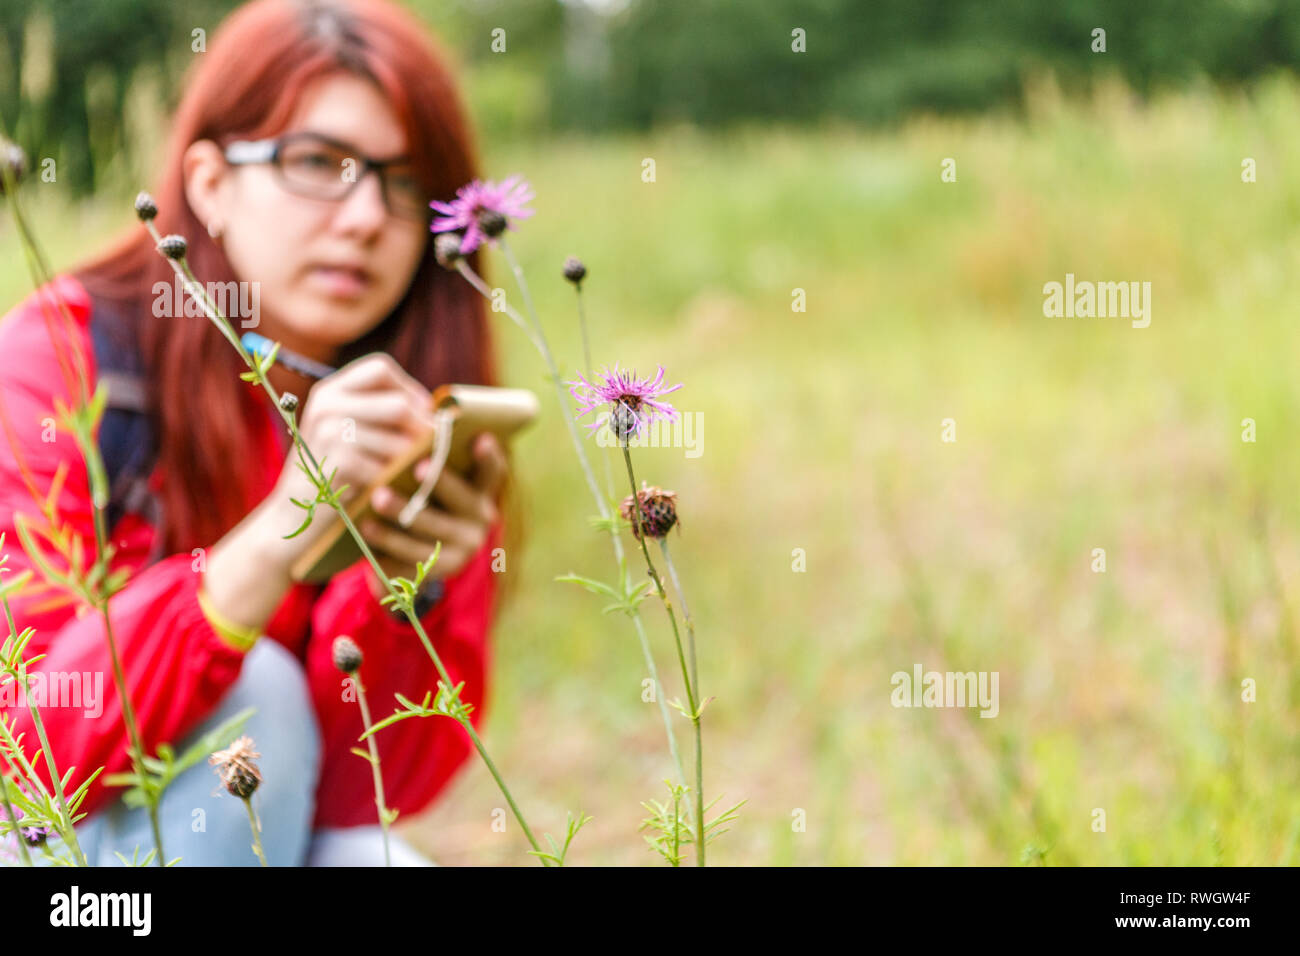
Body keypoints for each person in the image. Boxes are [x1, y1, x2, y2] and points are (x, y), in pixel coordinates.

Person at [0, 0, 519, 865]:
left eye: (403, 182)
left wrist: (402, 594)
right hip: (51, 845)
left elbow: (360, 799)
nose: (365, 218)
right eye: (318, 162)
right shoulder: (64, 358)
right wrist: (275, 542)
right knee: (258, 690)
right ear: (209, 184)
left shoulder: (413, 412)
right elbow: (26, 756)